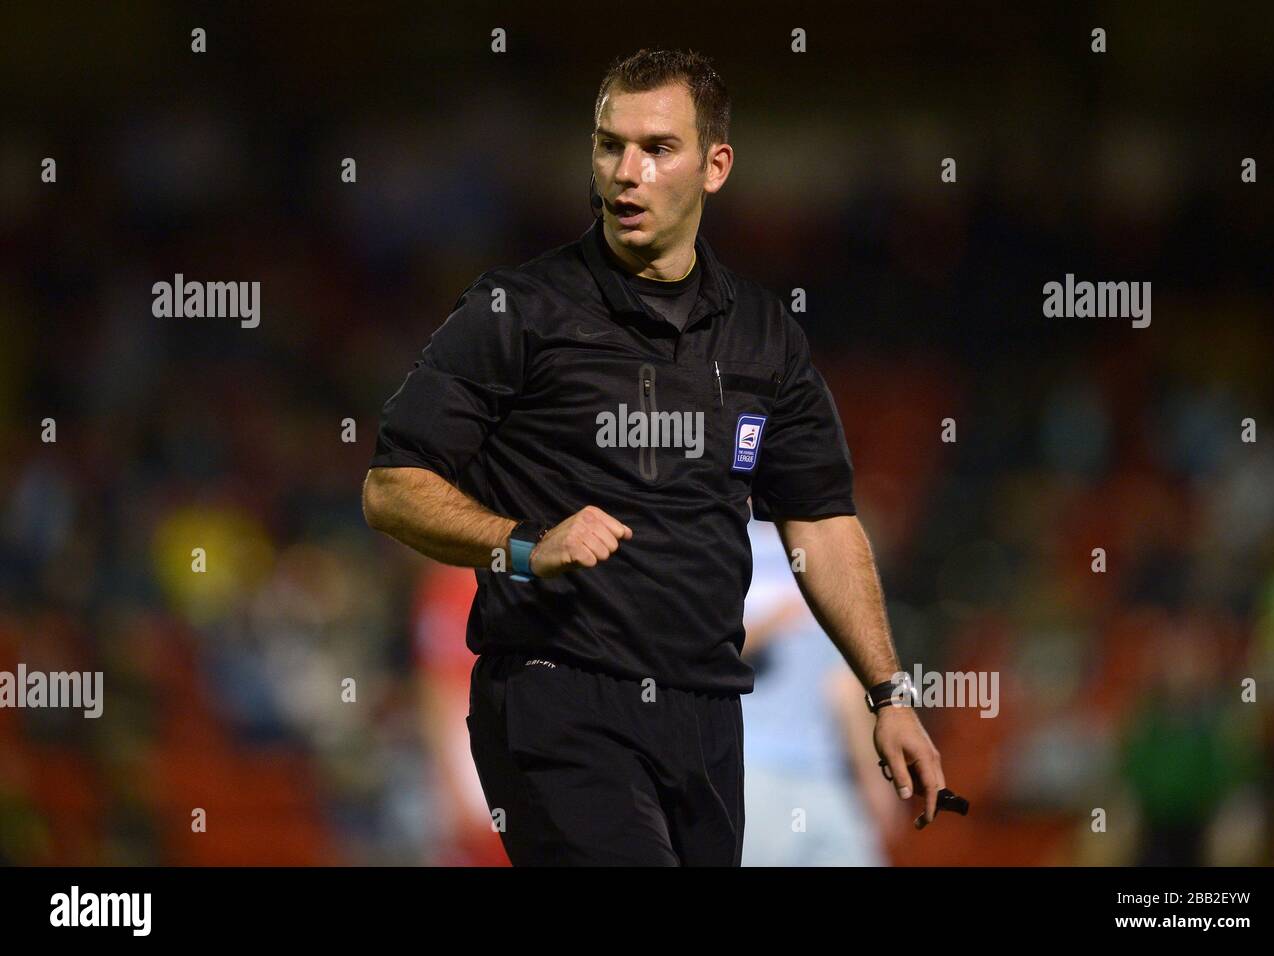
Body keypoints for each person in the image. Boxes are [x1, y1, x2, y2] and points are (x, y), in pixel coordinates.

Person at [362, 48, 945, 865]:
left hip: (707, 718)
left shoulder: (765, 336)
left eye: (657, 149)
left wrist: (890, 693)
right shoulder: (516, 311)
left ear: (716, 166)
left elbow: (820, 520)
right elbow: (392, 488)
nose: (625, 172)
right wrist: (525, 544)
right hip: (554, 694)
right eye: (609, 146)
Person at [740, 518, 905, 866]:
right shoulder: (728, 539)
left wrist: (873, 778)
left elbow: (842, 683)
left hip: (823, 770)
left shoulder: (830, 546)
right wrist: (769, 624)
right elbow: (693, 650)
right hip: (751, 766)